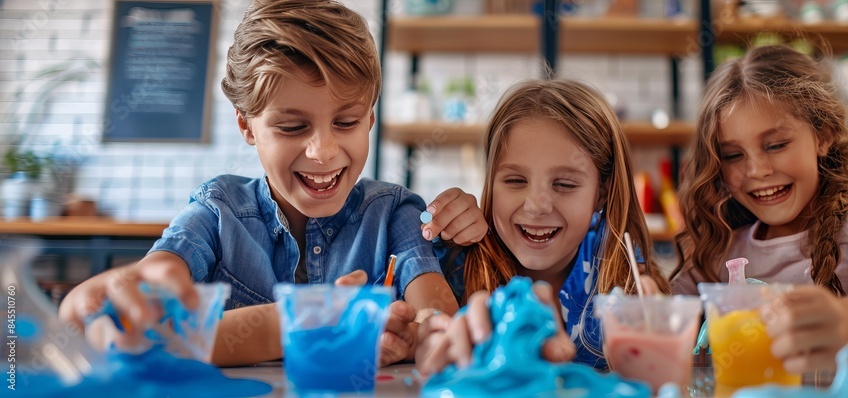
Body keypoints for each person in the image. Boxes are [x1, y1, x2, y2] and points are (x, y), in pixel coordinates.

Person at [58, 0, 487, 367]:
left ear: (370, 120)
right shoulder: (217, 212)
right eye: (293, 126)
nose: (323, 150)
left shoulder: (395, 213)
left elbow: (435, 316)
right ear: (247, 126)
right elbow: (125, 309)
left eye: (347, 122)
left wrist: (415, 336)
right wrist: (308, 320)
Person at [669, 45, 848, 373]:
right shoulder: (723, 248)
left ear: (823, 135)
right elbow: (659, 313)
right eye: (733, 155)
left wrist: (847, 318)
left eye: (776, 145)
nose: (757, 170)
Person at [415, 79, 673, 375]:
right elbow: (422, 332)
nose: (536, 205)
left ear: (601, 193)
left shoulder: (624, 275)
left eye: (564, 184)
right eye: (515, 181)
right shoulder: (455, 263)